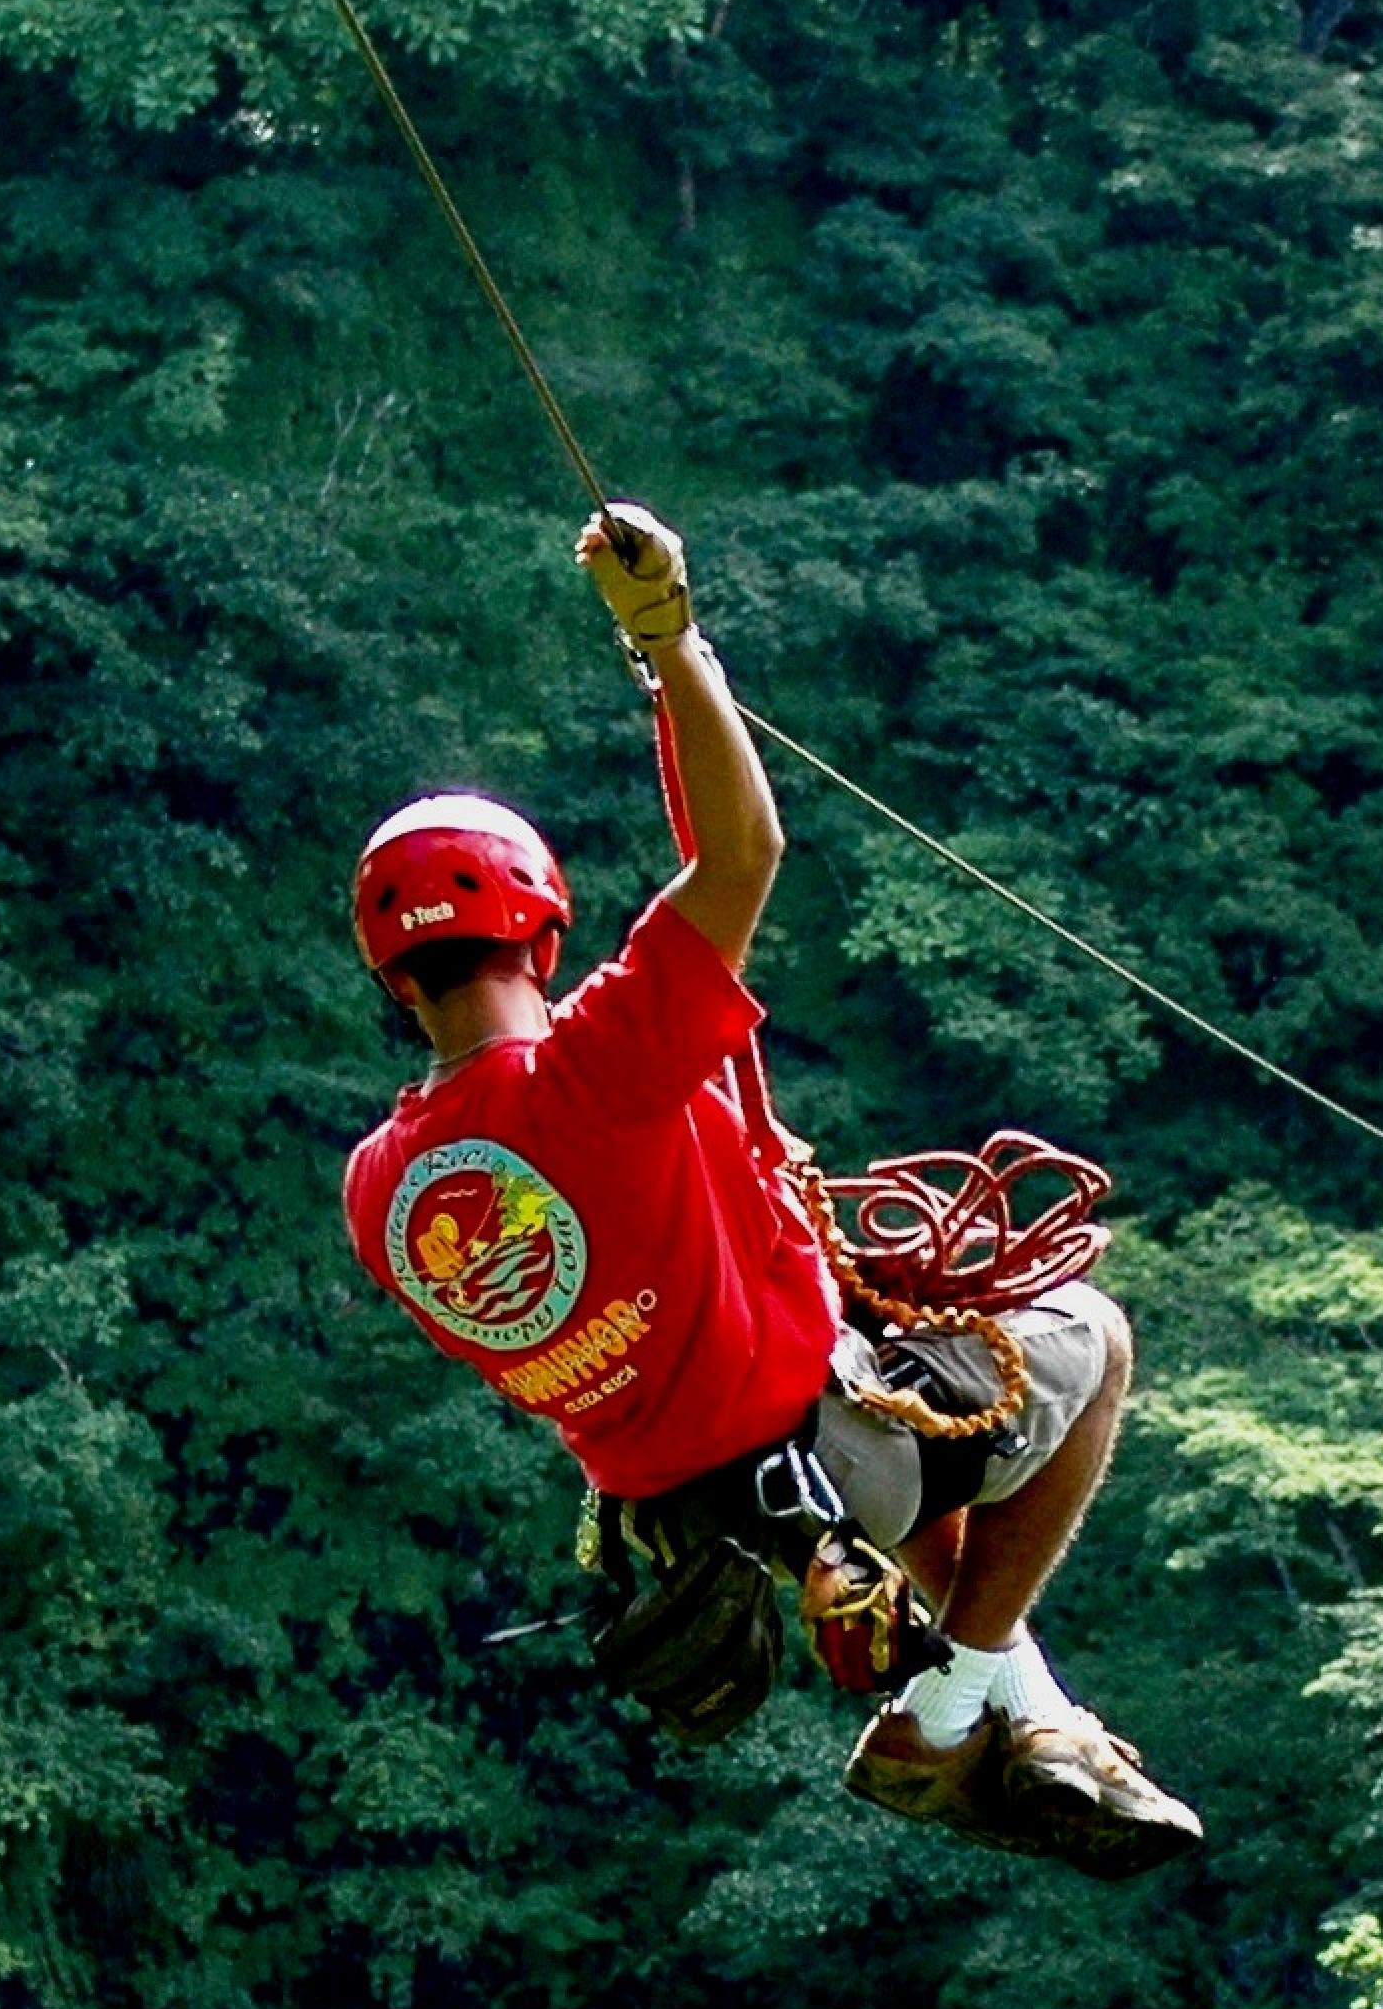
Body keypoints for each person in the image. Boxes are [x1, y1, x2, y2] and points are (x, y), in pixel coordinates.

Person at [338, 501, 1204, 1877]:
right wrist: (668, 640)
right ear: (543, 921)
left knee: (926, 1422)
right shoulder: (600, 1062)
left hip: (689, 1515)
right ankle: (958, 1698)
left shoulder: (381, 1189)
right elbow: (741, 857)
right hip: (819, 1458)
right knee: (1088, 1340)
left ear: (393, 978)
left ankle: (1039, 1721)